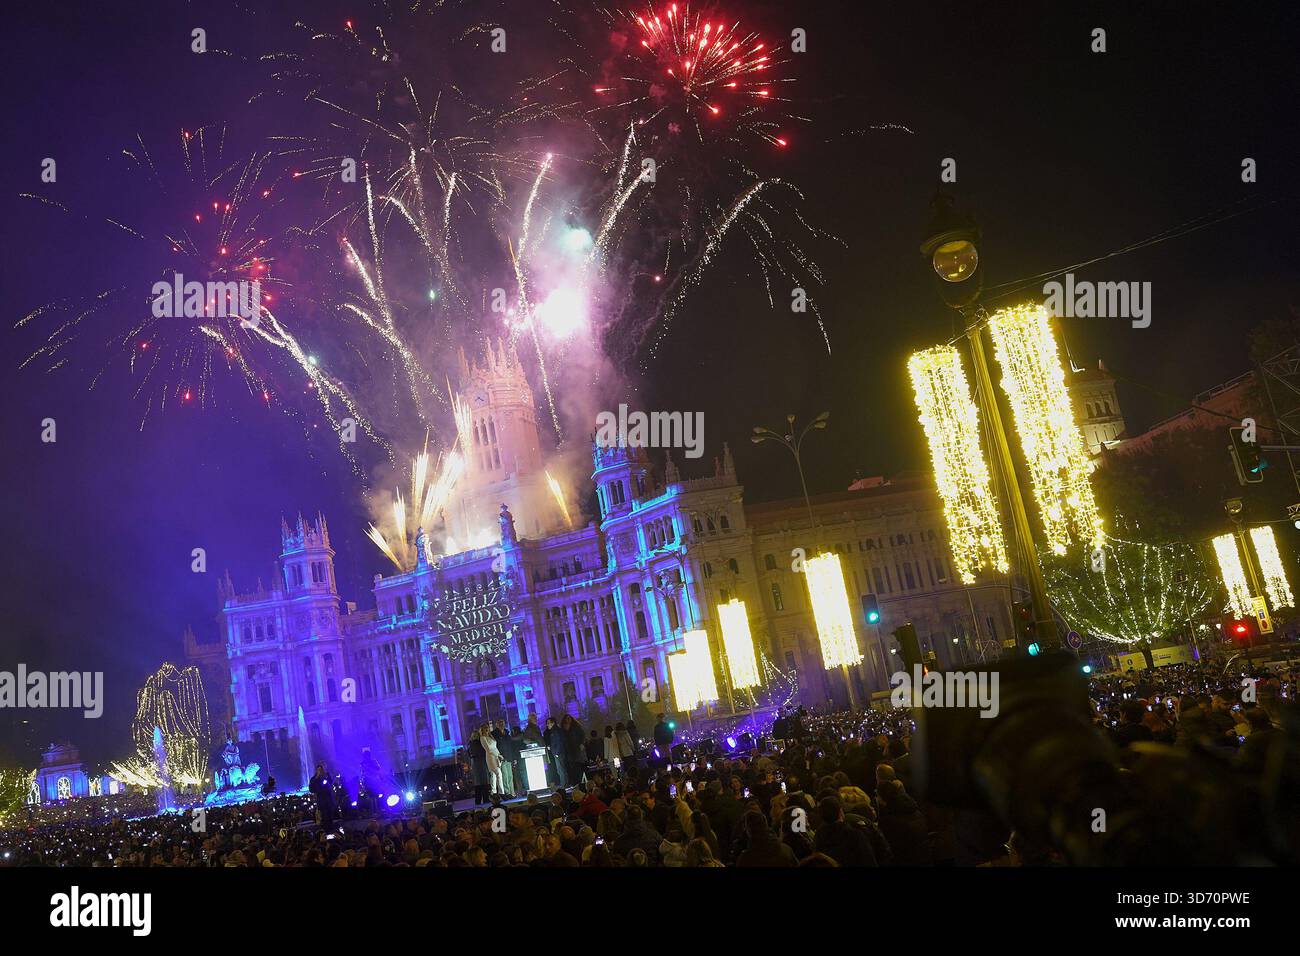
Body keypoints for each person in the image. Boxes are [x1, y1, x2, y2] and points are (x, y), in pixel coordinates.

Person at [543, 716, 568, 788]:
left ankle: (564, 785)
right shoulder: (555, 730)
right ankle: (565, 784)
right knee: (561, 769)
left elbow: (559, 742)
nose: (547, 725)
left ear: (553, 723)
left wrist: (556, 752)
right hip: (558, 752)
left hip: (558, 753)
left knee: (561, 769)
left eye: (548, 723)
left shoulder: (555, 731)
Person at [481, 725, 505, 799]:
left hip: (496, 756)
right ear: (483, 730)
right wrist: (497, 754)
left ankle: (494, 792)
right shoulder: (483, 738)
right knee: (498, 773)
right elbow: (488, 749)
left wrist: (499, 754)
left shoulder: (490, 736)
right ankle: (501, 793)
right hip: (491, 757)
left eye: (488, 728)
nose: (487, 730)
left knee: (494, 775)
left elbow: (495, 747)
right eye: (485, 729)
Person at [468, 727, 489, 805]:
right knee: (483, 782)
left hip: (475, 765)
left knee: (478, 784)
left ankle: (478, 800)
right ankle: (485, 799)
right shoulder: (479, 743)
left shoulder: (470, 744)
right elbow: (483, 752)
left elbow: (469, 754)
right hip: (481, 764)